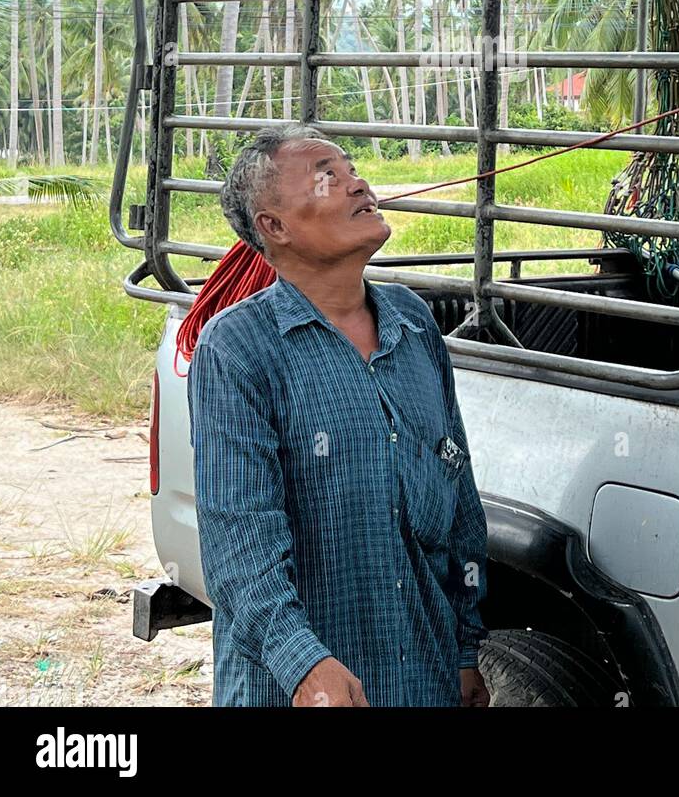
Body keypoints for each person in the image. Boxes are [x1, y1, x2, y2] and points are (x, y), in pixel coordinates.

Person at [187, 122, 491, 708]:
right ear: (274, 226)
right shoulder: (239, 347)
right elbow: (238, 536)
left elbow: (460, 500)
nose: (359, 186)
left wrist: (463, 649)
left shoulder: (411, 321)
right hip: (300, 690)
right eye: (329, 177)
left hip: (421, 680)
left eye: (354, 172)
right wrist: (303, 664)